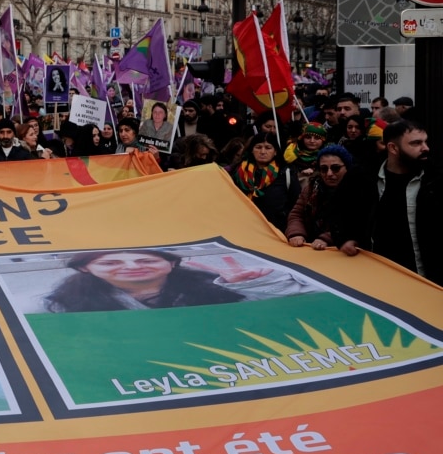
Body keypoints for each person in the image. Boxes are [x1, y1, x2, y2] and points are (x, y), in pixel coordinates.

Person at [35, 249, 317, 313]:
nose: (132, 267)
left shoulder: (217, 287)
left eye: (146, 260)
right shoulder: (61, 305)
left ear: (170, 263)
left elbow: (304, 294)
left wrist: (246, 285)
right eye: (110, 262)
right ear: (87, 269)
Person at [334, 120, 437, 280]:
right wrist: (345, 238)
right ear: (393, 148)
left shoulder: (434, 177)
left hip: (424, 277)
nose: (425, 148)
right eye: (416, 143)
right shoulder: (362, 176)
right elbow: (339, 210)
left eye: (425, 141)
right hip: (377, 275)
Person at [286, 145, 352, 251]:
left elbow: (354, 223)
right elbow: (296, 215)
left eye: (335, 168)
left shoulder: (358, 190)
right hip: (310, 248)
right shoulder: (311, 188)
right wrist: (296, 233)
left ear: (347, 168)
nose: (329, 174)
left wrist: (326, 239)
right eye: (324, 169)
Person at [232, 132, 300, 231]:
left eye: (268, 148)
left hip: (275, 230)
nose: (263, 152)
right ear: (251, 150)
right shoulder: (238, 172)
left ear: (275, 151)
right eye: (258, 147)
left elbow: (295, 204)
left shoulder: (286, 174)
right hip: (242, 228)